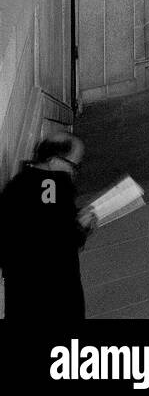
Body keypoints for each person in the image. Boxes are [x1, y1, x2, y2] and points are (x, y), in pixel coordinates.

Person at [0, 131, 96, 321]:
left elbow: (44, 222)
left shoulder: (20, 183)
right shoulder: (51, 185)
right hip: (52, 295)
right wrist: (81, 227)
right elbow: (57, 239)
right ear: (54, 161)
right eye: (74, 165)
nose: (74, 171)